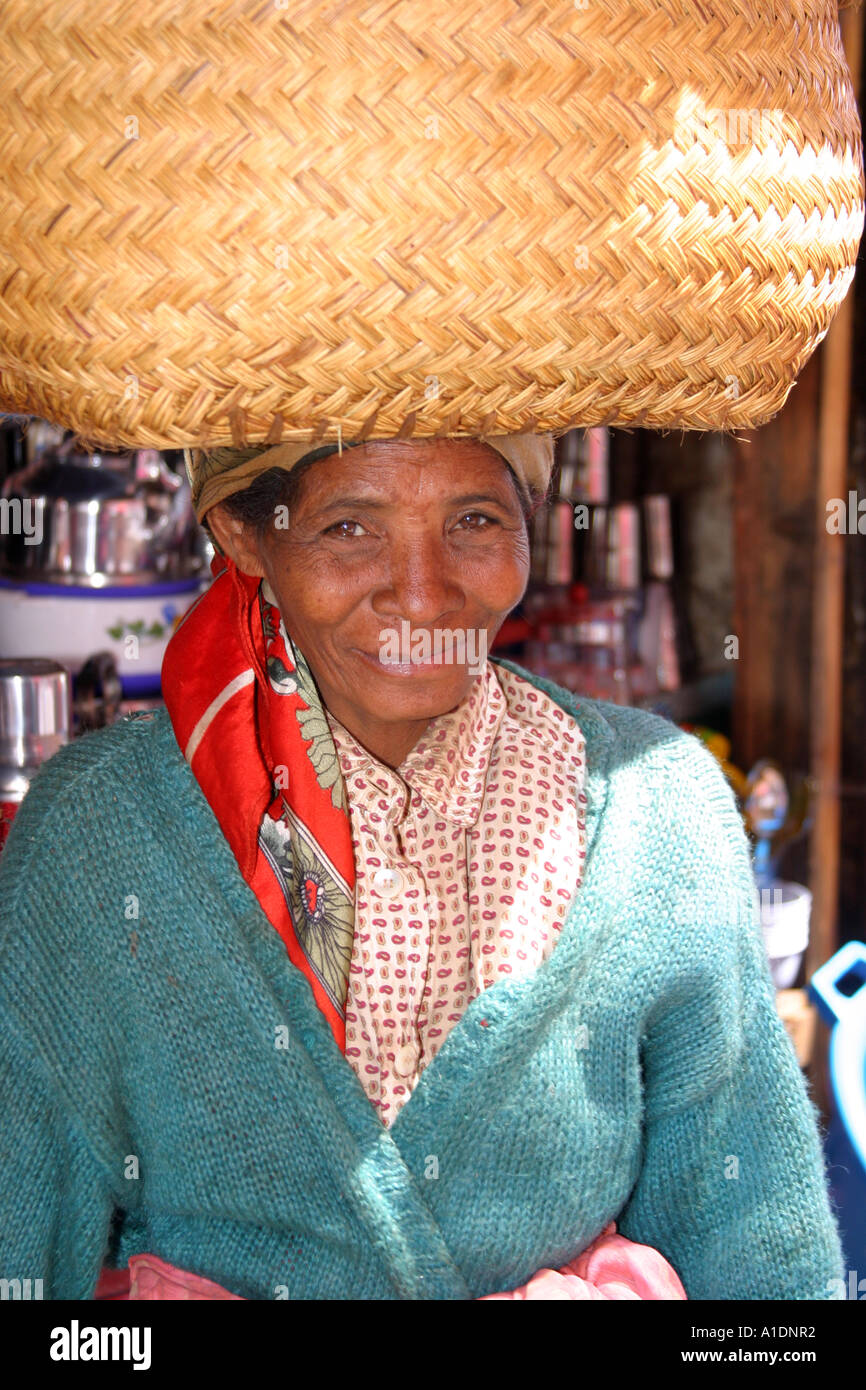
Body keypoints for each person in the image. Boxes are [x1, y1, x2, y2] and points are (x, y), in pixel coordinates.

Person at [0, 432, 845, 1300]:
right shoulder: (99, 835)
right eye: (349, 529)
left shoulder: (658, 808)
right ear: (242, 534)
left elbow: (766, 1280)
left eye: (474, 520)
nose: (421, 594)